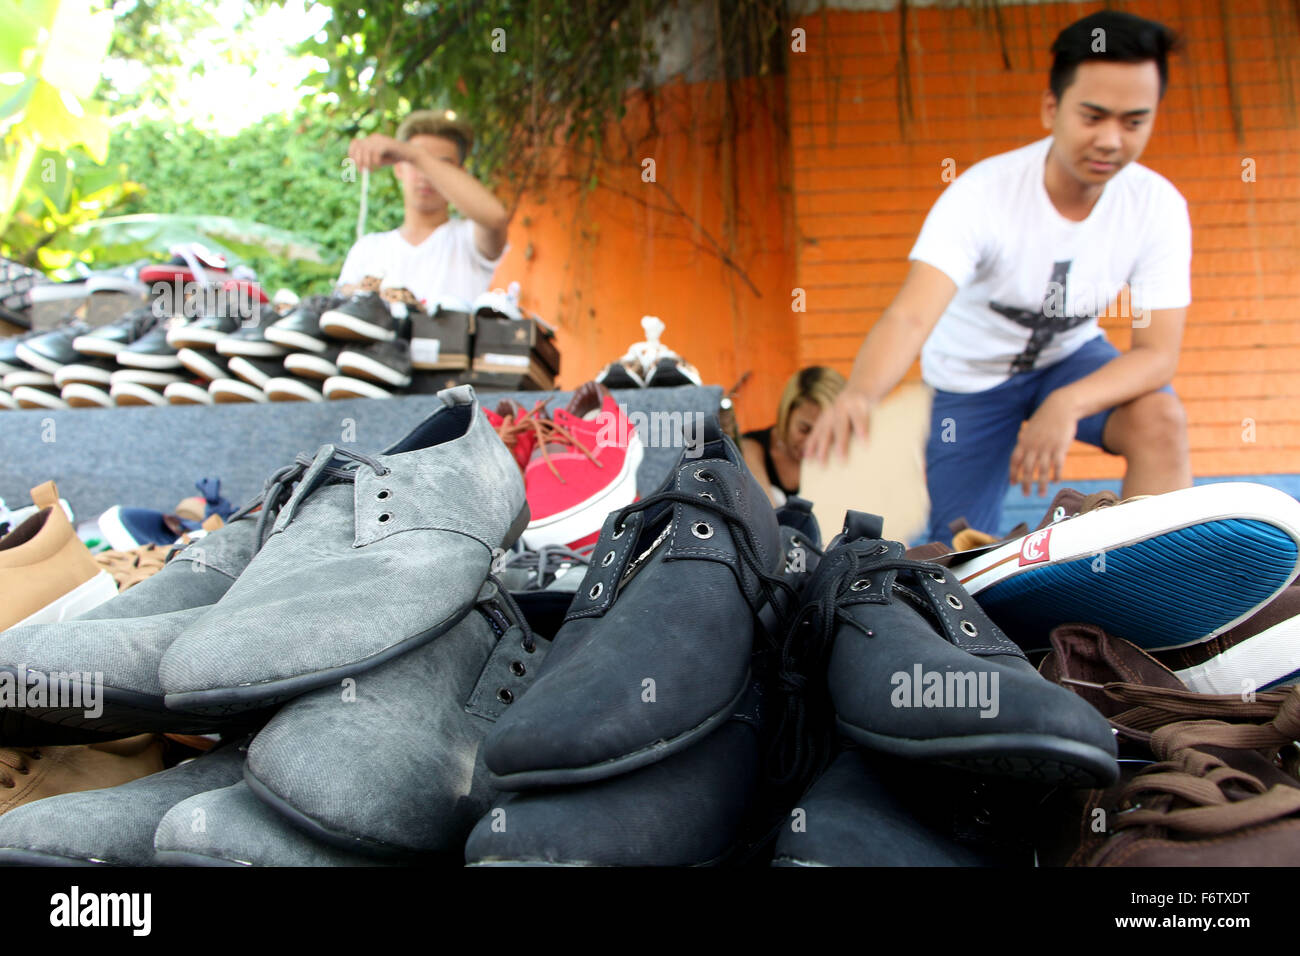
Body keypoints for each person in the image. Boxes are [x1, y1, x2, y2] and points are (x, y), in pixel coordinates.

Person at [806, 10, 1192, 545]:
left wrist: (1066, 403)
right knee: (960, 545)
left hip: (1069, 362)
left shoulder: (1158, 208)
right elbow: (912, 313)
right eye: (1093, 116)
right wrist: (861, 393)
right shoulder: (981, 195)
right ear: (1051, 108)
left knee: (1161, 421)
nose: (1110, 140)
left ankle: (1158, 596)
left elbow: (1158, 354)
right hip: (970, 379)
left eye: (1133, 122)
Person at [340, 110, 511, 305]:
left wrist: (415, 155)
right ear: (398, 168)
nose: (426, 175)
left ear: (460, 174)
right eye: (415, 164)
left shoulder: (469, 239)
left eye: (441, 165)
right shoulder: (368, 249)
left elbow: (496, 218)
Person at [743, 366, 846, 506]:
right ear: (786, 416)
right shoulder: (750, 450)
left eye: (826, 432)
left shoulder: (847, 458)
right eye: (804, 430)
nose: (812, 443)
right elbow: (767, 518)